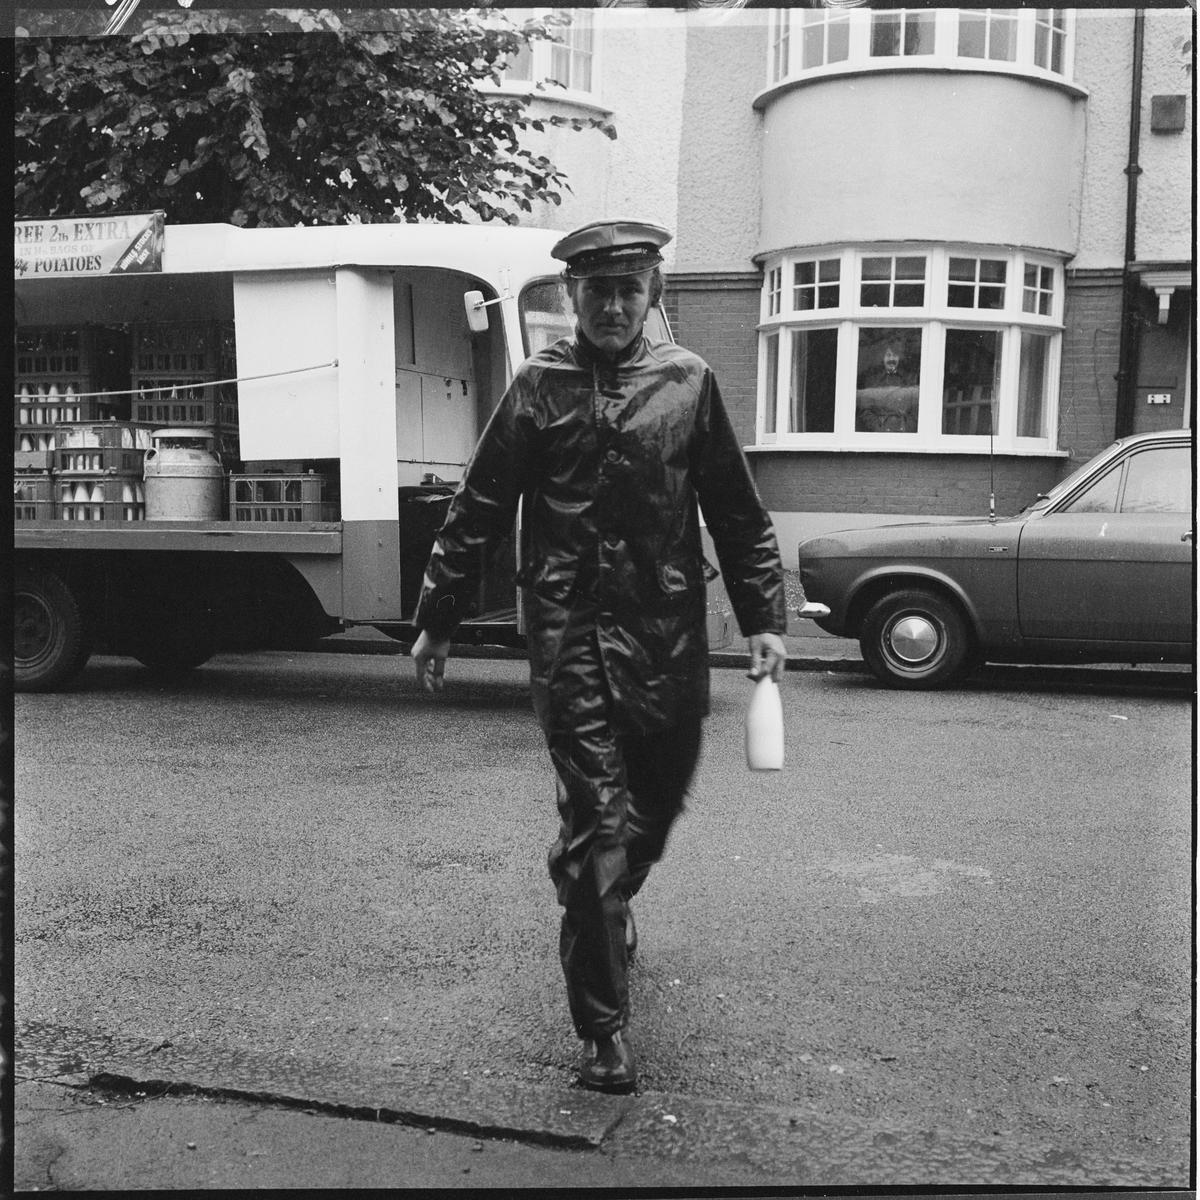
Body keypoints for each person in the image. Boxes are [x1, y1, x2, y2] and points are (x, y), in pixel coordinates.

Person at [409, 218, 787, 1094]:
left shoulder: (688, 384)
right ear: (573, 298)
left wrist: (765, 614)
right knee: (600, 824)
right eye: (596, 291)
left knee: (654, 803)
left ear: (652, 292)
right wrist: (438, 616)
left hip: (666, 636)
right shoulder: (539, 387)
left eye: (629, 289)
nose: (613, 306)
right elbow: (478, 506)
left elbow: (736, 507)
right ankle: (603, 1030)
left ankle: (595, 882)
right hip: (569, 636)